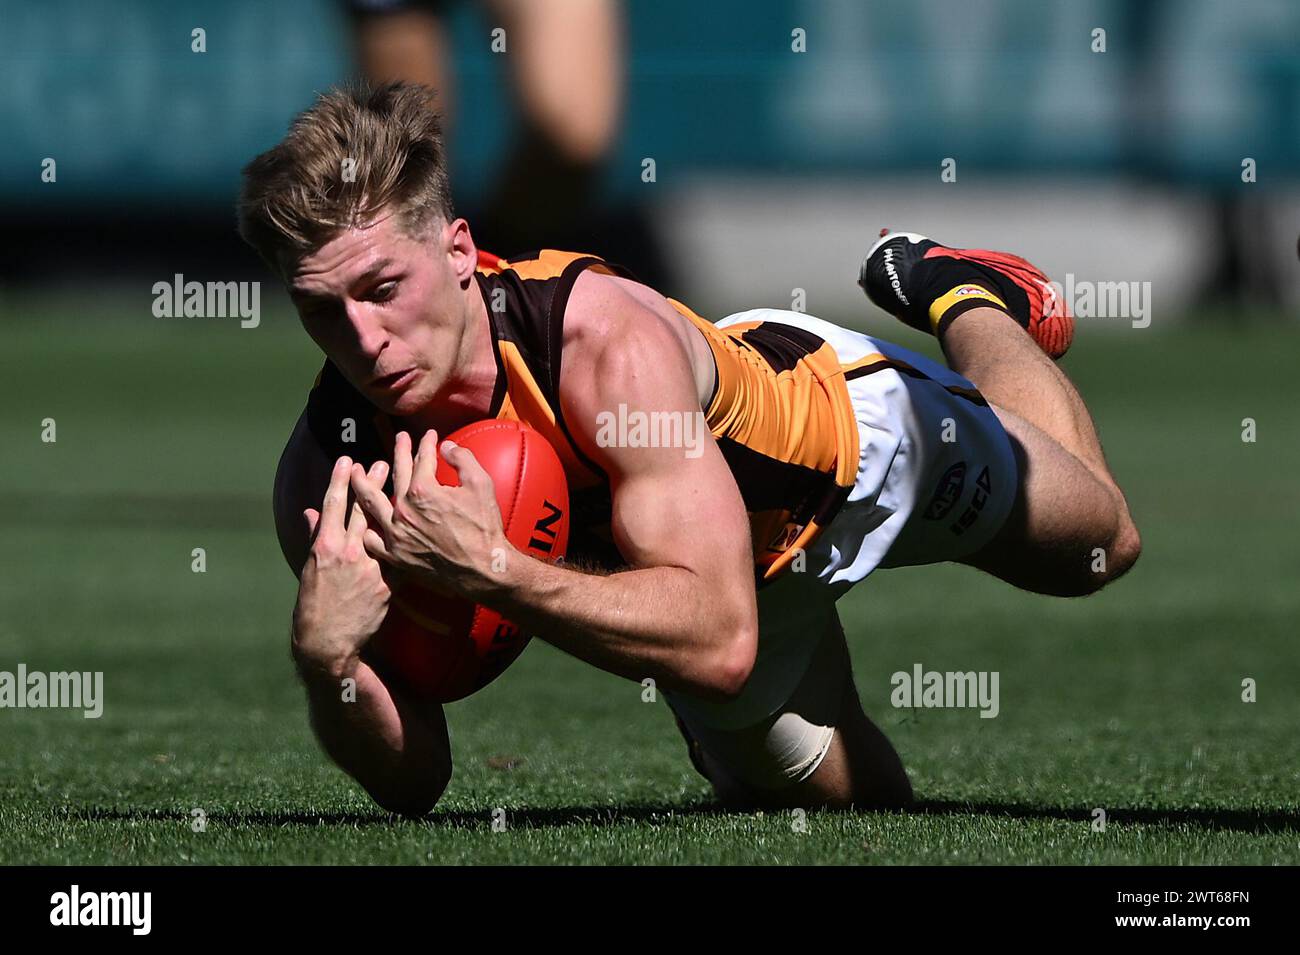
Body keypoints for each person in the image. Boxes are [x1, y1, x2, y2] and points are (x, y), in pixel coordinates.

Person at [238, 83, 1140, 814]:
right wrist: (331, 667)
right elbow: (416, 780)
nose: (365, 338)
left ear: (461, 251)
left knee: (1098, 547)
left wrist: (494, 570)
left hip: (844, 453)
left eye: (383, 286)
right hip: (697, 564)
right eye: (323, 309)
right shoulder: (328, 476)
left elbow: (718, 640)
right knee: (848, 812)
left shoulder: (602, 346)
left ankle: (963, 294)